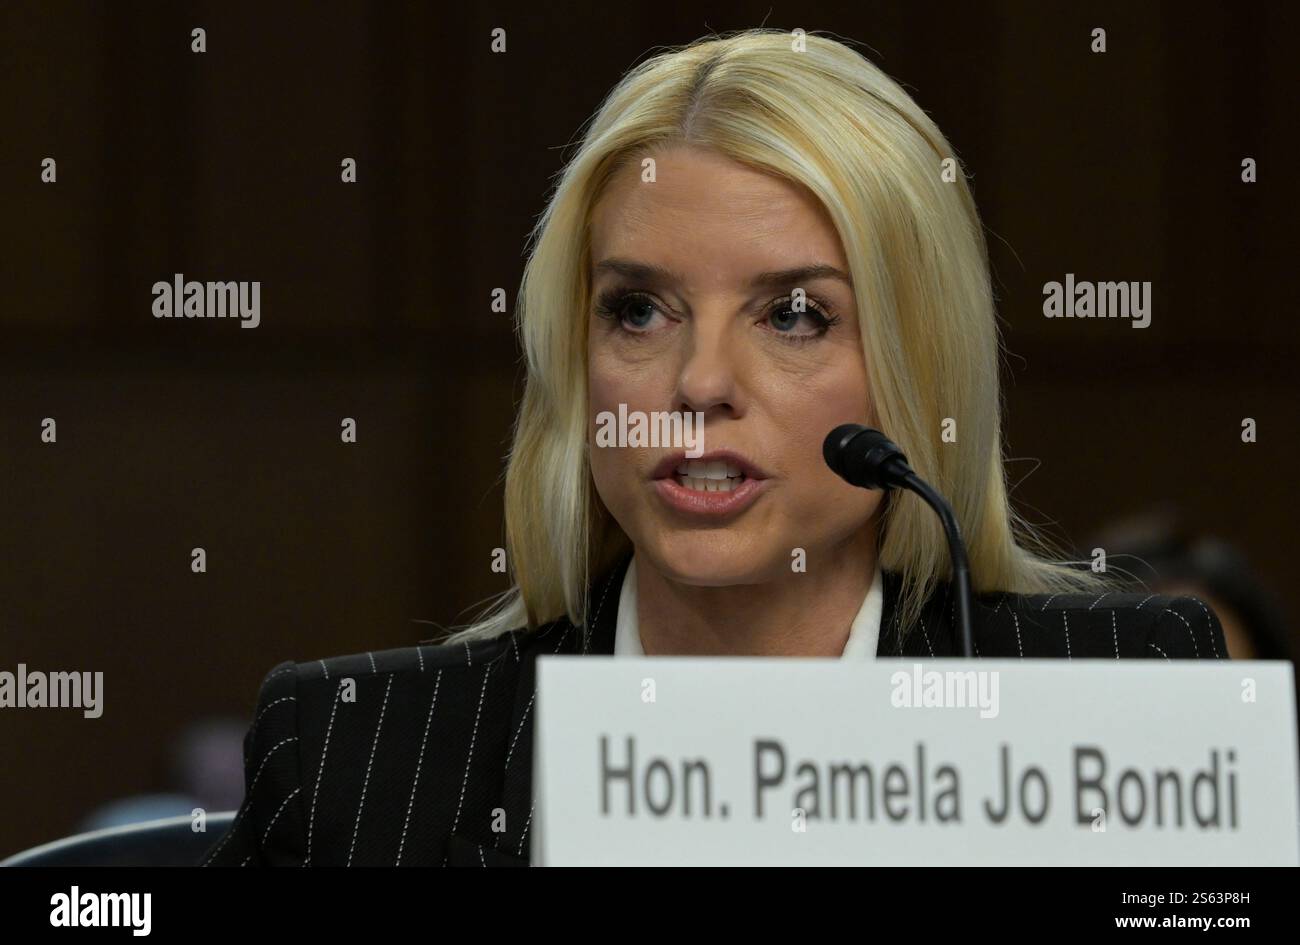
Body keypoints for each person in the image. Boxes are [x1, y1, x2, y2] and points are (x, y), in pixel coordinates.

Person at [201, 28, 1226, 868]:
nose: (697, 384)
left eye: (792, 314)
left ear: (921, 363)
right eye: (639, 309)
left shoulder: (1128, 696)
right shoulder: (348, 754)